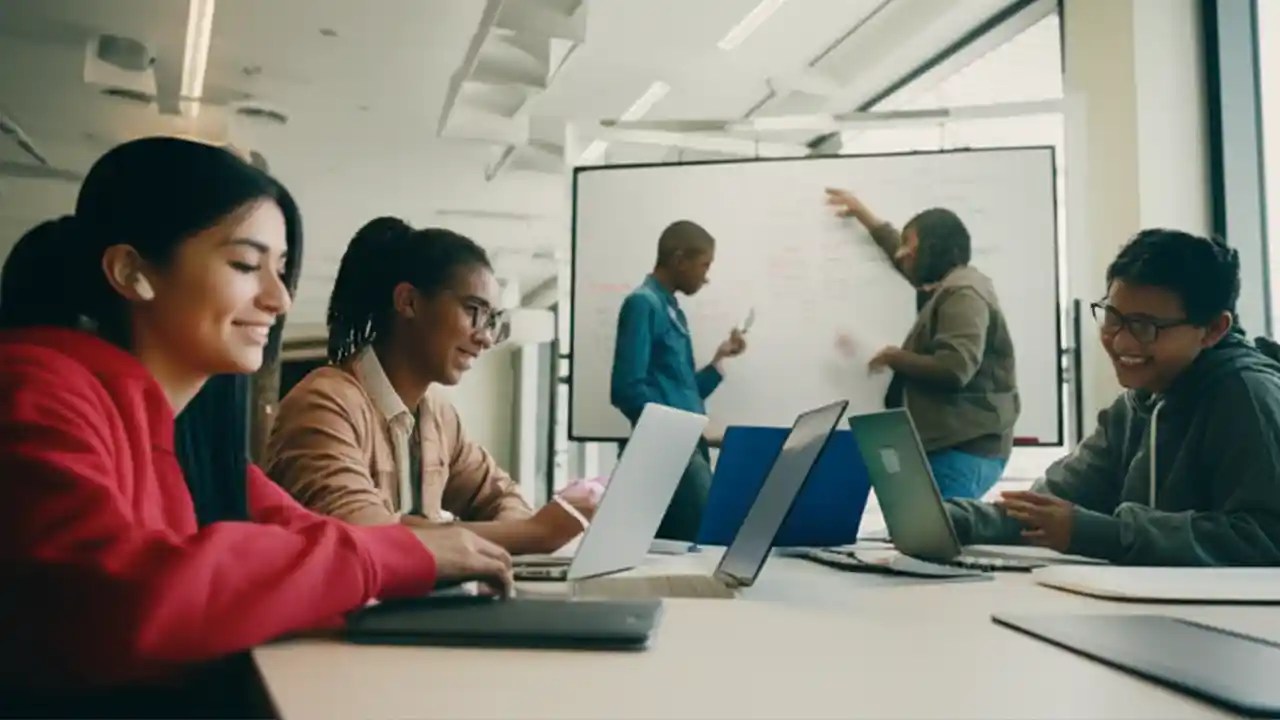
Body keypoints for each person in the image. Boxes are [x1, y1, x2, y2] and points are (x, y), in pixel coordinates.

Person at [0, 138, 512, 717]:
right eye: (246, 265)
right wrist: (391, 557)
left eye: (282, 271)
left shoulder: (193, 434)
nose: (278, 297)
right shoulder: (34, 387)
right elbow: (121, 605)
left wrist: (403, 556)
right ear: (131, 272)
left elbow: (307, 539)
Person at [946, 229, 1280, 566]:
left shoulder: (1247, 398)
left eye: (1145, 327)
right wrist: (950, 518)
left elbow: (1266, 534)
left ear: (1212, 330)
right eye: (1112, 318)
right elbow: (1045, 510)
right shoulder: (1137, 404)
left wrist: (1102, 534)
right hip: (1147, 605)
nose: (1120, 342)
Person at [265, 217, 595, 555]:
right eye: (474, 311)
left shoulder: (438, 416)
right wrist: (534, 533)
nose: (485, 337)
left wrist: (521, 529)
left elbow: (502, 497)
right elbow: (367, 537)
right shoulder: (324, 403)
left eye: (492, 320)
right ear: (408, 301)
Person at [825, 188, 1019, 500]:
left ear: (935, 249)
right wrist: (865, 216)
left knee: (935, 541)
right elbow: (901, 257)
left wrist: (892, 356)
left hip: (961, 452)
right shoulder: (945, 286)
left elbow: (955, 368)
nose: (902, 254)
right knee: (922, 536)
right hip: (946, 447)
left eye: (910, 247)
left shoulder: (963, 294)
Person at [610, 220, 747, 541]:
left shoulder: (672, 309)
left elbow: (682, 391)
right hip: (669, 448)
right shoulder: (643, 303)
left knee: (688, 546)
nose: (706, 276)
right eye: (704, 265)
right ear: (679, 259)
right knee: (709, 538)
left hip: (686, 446)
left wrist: (718, 361)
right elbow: (626, 389)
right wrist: (677, 429)